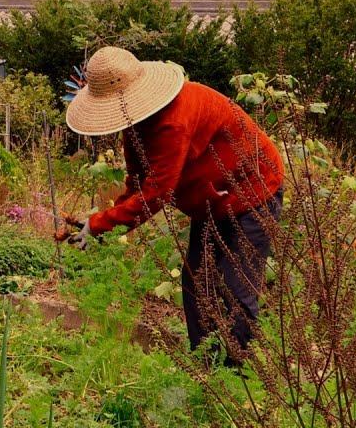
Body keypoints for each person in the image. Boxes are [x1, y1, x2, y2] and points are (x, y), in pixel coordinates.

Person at [62, 46, 284, 364]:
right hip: (212, 200)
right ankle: (204, 369)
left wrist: (99, 223)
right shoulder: (137, 124)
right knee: (197, 282)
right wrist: (99, 222)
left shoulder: (172, 122)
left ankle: (237, 377)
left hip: (254, 190)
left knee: (236, 287)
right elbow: (137, 184)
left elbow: (156, 194)